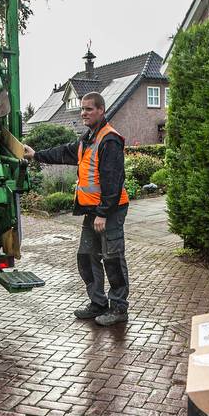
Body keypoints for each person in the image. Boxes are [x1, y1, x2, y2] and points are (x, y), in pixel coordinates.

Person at [23, 91, 130, 326]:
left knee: (112, 259)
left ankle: (119, 308)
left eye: (89, 109)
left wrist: (103, 213)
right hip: (92, 211)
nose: (83, 113)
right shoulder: (87, 139)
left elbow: (113, 180)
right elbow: (63, 152)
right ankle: (98, 303)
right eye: (82, 109)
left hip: (109, 211)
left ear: (101, 110)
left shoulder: (109, 140)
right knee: (86, 256)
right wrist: (36, 155)